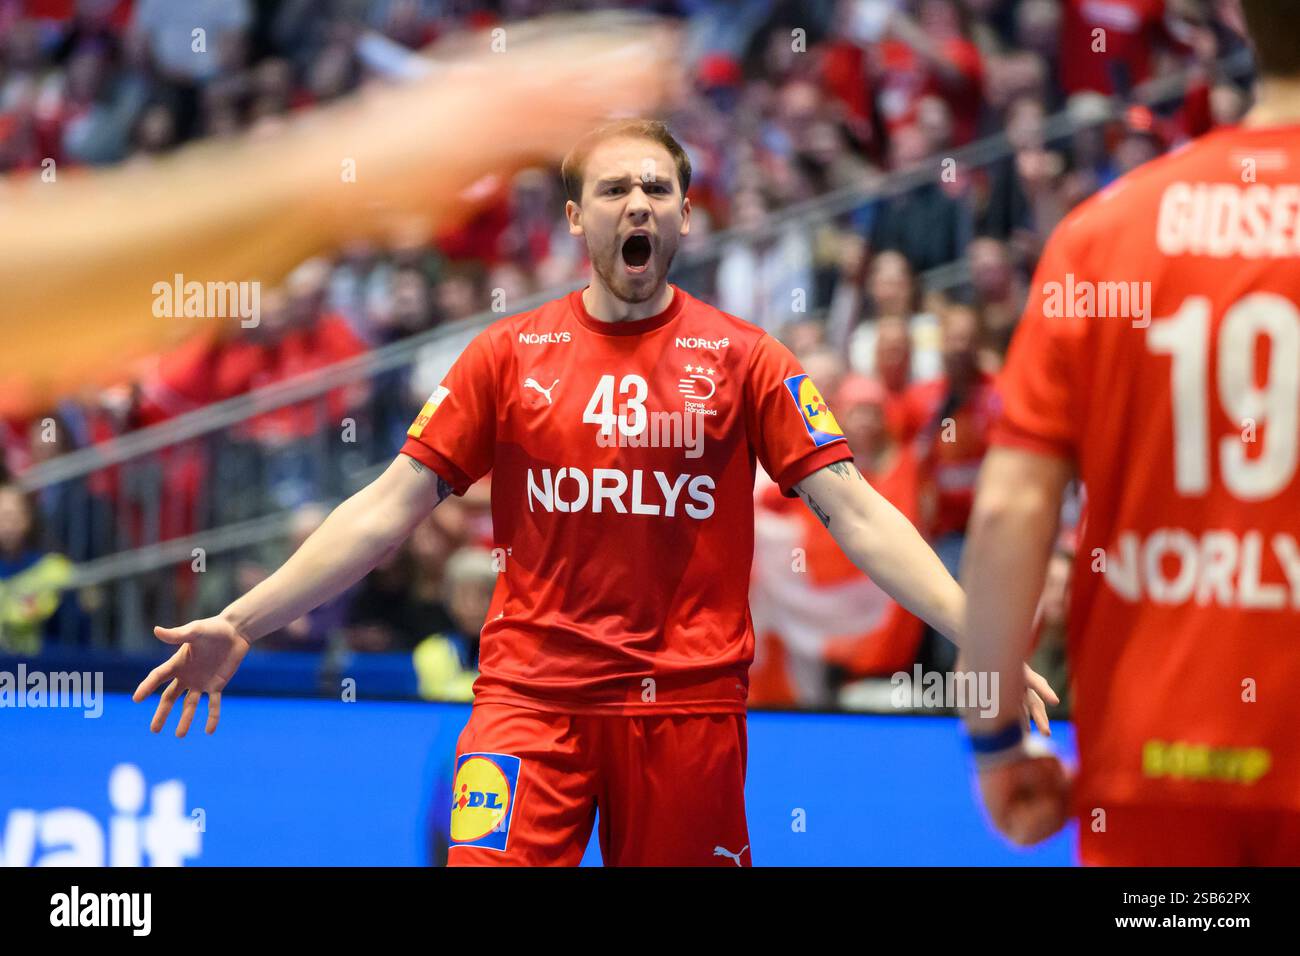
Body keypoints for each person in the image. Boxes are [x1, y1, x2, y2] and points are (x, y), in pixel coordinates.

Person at [133, 118, 1055, 867]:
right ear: (577, 220)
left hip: (689, 711)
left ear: (685, 216)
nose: (637, 203)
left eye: (656, 188)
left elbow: (854, 510)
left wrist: (985, 638)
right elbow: (385, 507)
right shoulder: (506, 354)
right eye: (614, 189)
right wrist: (242, 622)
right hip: (531, 703)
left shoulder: (745, 360)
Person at [959, 0, 1300, 865]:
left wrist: (996, 737)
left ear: (1239, 19)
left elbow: (1008, 513)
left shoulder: (1103, 236)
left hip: (1158, 765)